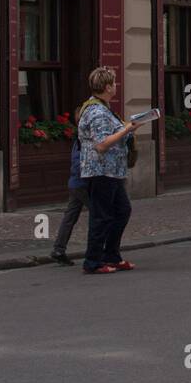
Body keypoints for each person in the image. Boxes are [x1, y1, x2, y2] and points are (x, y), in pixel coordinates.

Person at [78, 67, 139, 275]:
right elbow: (101, 144)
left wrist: (127, 129)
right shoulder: (97, 112)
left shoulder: (104, 108)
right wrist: (126, 130)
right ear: (106, 87)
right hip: (100, 171)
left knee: (122, 211)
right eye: (113, 83)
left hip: (112, 171)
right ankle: (92, 261)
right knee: (101, 216)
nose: (116, 86)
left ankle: (111, 254)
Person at [51, 105, 102, 266]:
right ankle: (96, 252)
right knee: (99, 215)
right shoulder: (84, 139)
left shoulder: (79, 137)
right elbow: (81, 163)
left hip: (75, 182)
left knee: (70, 216)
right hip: (83, 183)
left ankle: (59, 249)